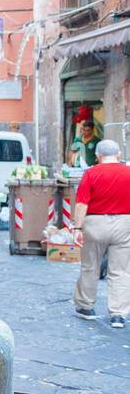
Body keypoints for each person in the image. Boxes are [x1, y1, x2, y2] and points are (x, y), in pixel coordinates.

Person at [72, 139, 130, 328]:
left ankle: (86, 306)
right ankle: (118, 314)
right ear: (119, 154)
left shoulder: (91, 173)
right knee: (120, 271)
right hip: (124, 222)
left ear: (98, 156)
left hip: (95, 223)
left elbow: (82, 203)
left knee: (90, 265)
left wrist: (78, 228)